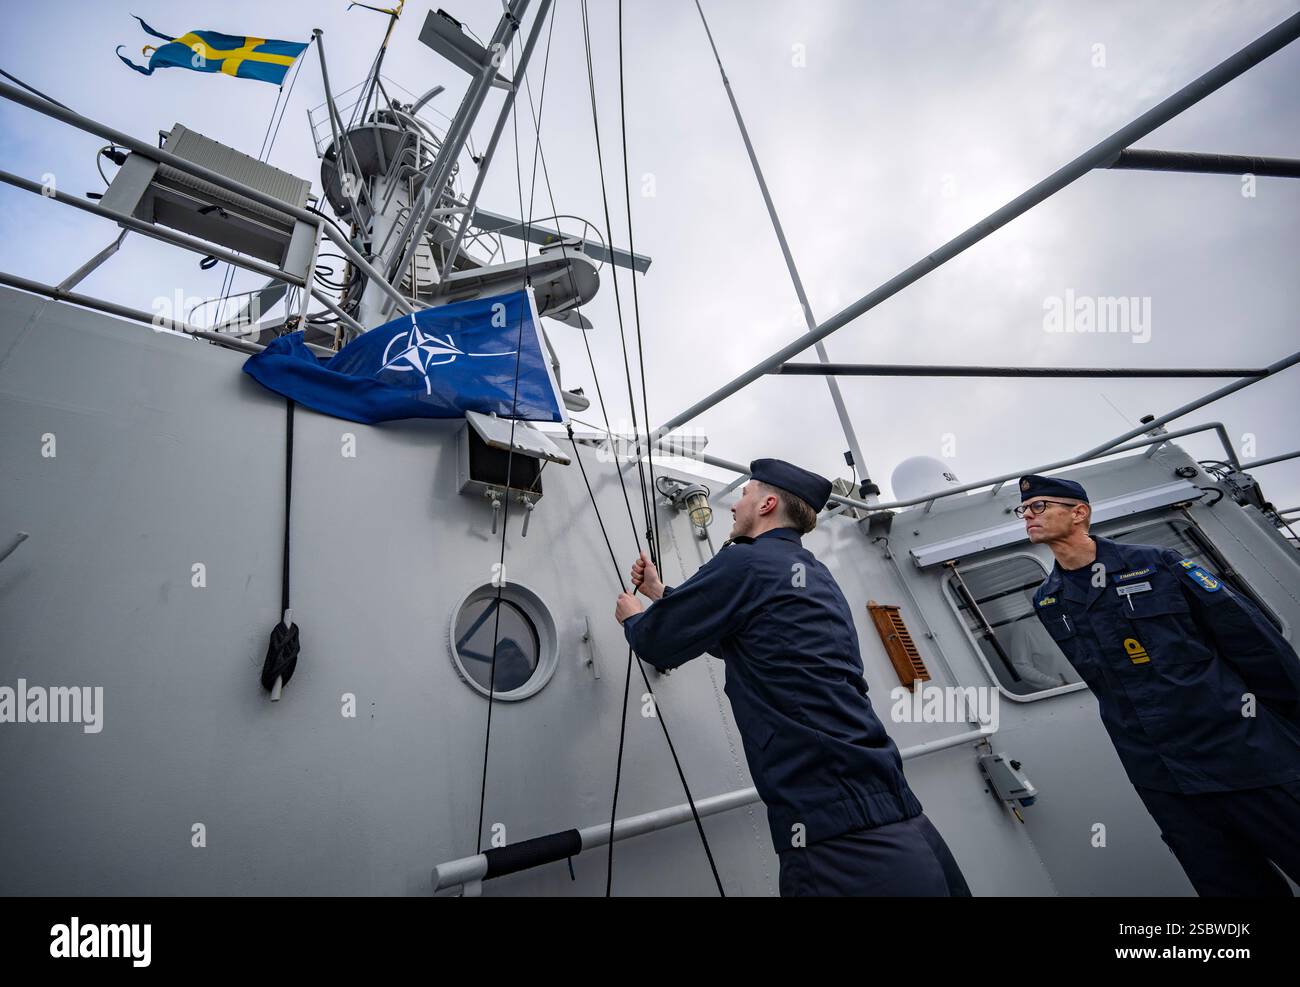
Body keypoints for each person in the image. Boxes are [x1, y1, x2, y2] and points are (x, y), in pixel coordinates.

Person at [614, 458, 970, 896]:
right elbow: (750, 640)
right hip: (905, 824)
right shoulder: (813, 575)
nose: (733, 505)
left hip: (840, 844)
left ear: (766, 503)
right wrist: (660, 594)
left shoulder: (743, 564)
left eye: (744, 494)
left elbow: (658, 642)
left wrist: (635, 618)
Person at [1020, 473, 1300, 895]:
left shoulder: (1158, 564)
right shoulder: (1049, 600)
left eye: (1038, 506)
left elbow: (1256, 647)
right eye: (1023, 510)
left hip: (1246, 756)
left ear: (1078, 513)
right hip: (1164, 779)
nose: (1027, 515)